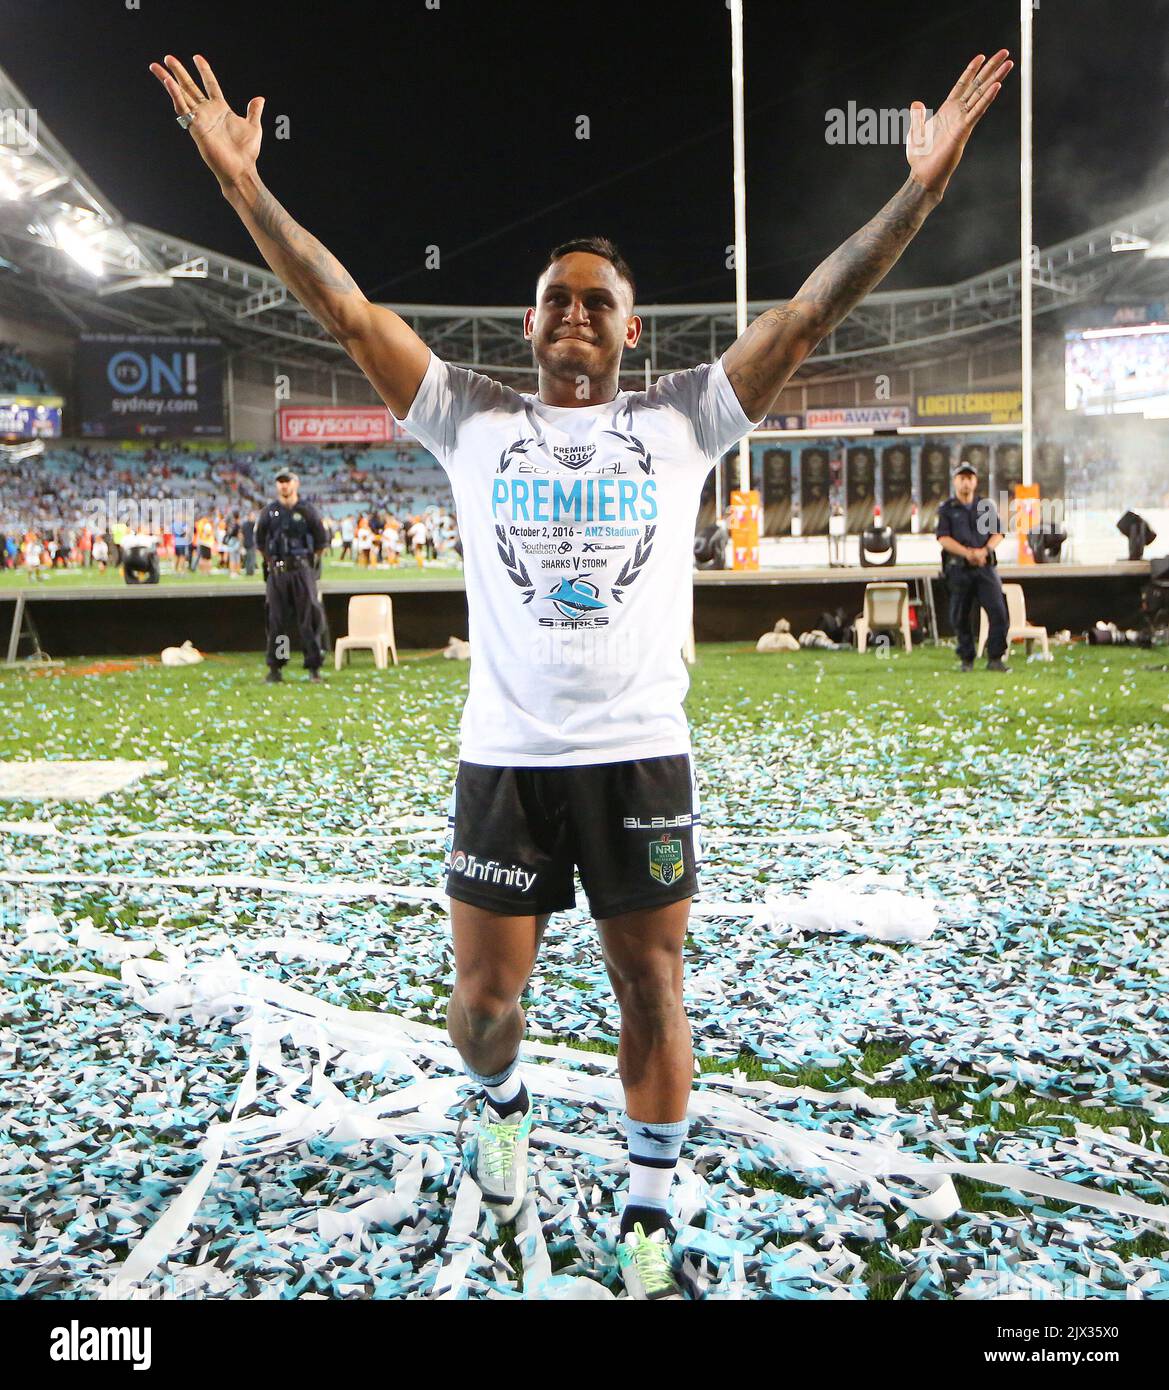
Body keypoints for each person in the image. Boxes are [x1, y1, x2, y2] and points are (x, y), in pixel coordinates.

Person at [153, 43, 1011, 1298]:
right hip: (506, 755)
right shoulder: (469, 416)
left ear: (628, 327)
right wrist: (243, 185)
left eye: (595, 301)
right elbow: (343, 309)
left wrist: (920, 192)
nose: (572, 314)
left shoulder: (680, 419)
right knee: (481, 1008)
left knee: (650, 986)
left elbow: (808, 311)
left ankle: (646, 1211)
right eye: (555, 298)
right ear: (528, 321)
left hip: (637, 753)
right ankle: (499, 1105)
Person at [254, 469, 329, 683]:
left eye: (287, 481)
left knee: (309, 619)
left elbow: (321, 542)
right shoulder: (269, 512)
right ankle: (277, 667)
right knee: (277, 621)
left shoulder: (308, 511)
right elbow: (260, 543)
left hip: (301, 571)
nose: (284, 485)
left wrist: (305, 564)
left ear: (296, 484)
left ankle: (313, 666)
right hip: (278, 573)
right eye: (280, 482)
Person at [936, 460, 1010, 672]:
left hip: (985, 568)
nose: (966, 483)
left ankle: (995, 658)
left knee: (998, 611)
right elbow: (943, 538)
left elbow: (998, 533)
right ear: (954, 482)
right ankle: (966, 659)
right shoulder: (947, 509)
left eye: (969, 478)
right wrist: (967, 553)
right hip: (959, 569)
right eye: (962, 478)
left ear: (975, 482)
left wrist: (984, 551)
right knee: (960, 616)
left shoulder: (985, 506)